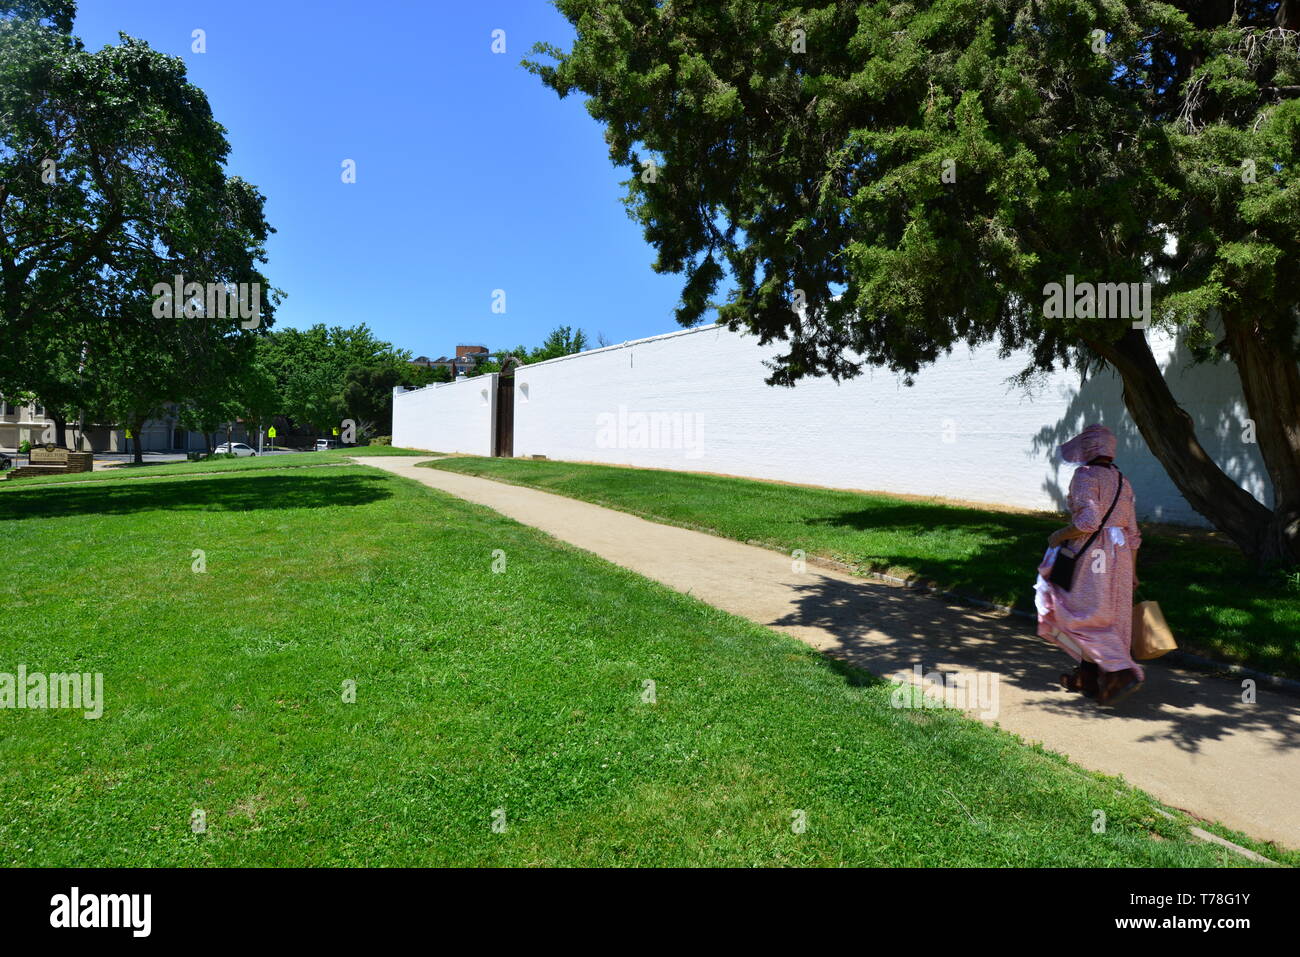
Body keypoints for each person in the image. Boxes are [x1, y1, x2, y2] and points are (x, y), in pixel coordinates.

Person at [1035, 423, 1144, 706]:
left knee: (1078, 611)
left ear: (1086, 449)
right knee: (1108, 614)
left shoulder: (1084, 475)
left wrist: (1058, 535)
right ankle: (1090, 678)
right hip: (1119, 558)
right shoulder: (1123, 480)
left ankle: (1119, 671)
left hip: (1092, 553)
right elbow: (1133, 535)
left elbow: (1088, 522)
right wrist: (1132, 572)